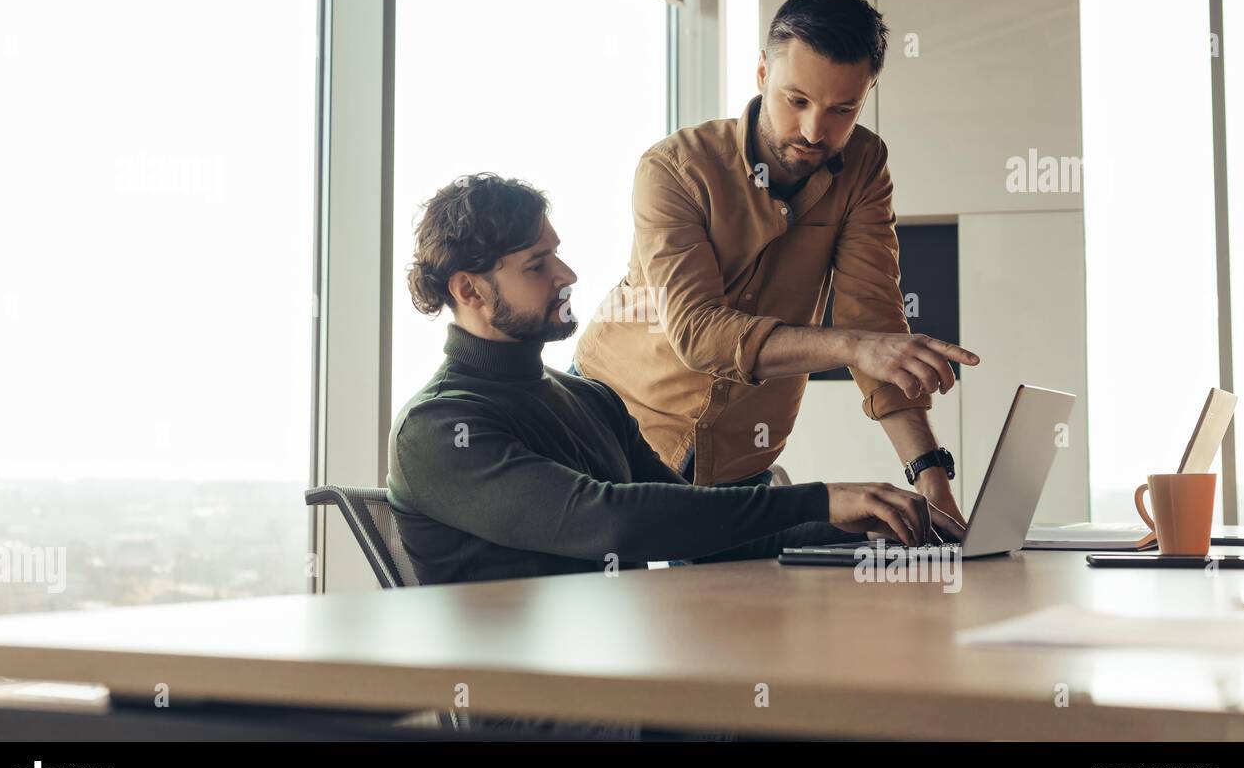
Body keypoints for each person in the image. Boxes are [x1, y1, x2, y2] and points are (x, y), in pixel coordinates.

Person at [387, 172, 944, 589]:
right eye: (537, 265)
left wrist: (864, 523)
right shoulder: (438, 428)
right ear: (470, 291)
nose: (567, 275)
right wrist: (817, 501)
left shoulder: (589, 398)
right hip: (544, 710)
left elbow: (702, 530)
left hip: (627, 676)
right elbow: (611, 520)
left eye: (556, 254)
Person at [574, 0, 978, 537]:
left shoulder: (863, 164)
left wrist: (933, 479)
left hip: (741, 460)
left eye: (843, 110)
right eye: (797, 100)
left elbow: (876, 325)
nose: (816, 131)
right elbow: (698, 333)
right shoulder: (674, 169)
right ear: (763, 72)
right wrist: (853, 345)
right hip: (618, 438)